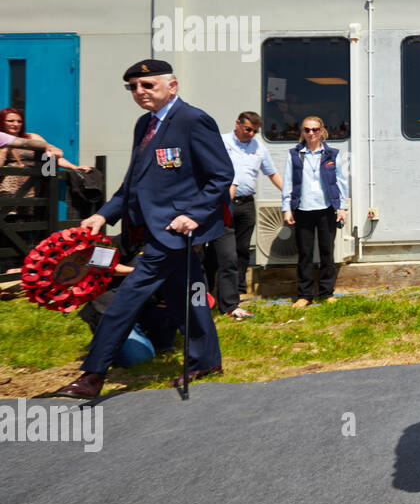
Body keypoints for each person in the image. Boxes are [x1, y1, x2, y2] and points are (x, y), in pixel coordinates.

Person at [52, 60, 234, 399]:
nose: (139, 92)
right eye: (133, 87)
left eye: (147, 85)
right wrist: (104, 215)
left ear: (172, 86)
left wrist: (193, 214)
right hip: (151, 230)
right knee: (189, 298)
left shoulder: (193, 120)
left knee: (126, 299)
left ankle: (93, 375)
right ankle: (206, 361)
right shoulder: (144, 125)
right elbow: (132, 183)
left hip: (174, 232)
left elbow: (221, 175)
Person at [205, 111, 283, 320]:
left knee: (241, 250)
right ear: (237, 124)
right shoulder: (221, 142)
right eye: (248, 129)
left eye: (255, 131)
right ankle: (210, 294)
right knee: (219, 252)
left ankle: (235, 293)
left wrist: (288, 193)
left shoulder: (258, 147)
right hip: (223, 203)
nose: (251, 134)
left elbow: (271, 173)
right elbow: (207, 170)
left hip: (246, 203)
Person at [281, 117, 348, 307]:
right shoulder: (294, 154)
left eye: (315, 130)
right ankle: (305, 295)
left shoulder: (332, 154)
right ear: (302, 132)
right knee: (305, 253)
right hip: (303, 209)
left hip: (326, 209)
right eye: (307, 130)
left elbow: (341, 182)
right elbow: (287, 182)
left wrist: (341, 208)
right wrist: (287, 208)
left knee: (327, 252)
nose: (311, 133)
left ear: (322, 131)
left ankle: (327, 292)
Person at [1, 108, 89, 219]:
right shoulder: (2, 140)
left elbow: (52, 155)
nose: (15, 124)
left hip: (32, 186)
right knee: (8, 219)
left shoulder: (32, 137)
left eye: (19, 121)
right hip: (8, 188)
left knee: (29, 220)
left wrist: (74, 167)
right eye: (10, 121)